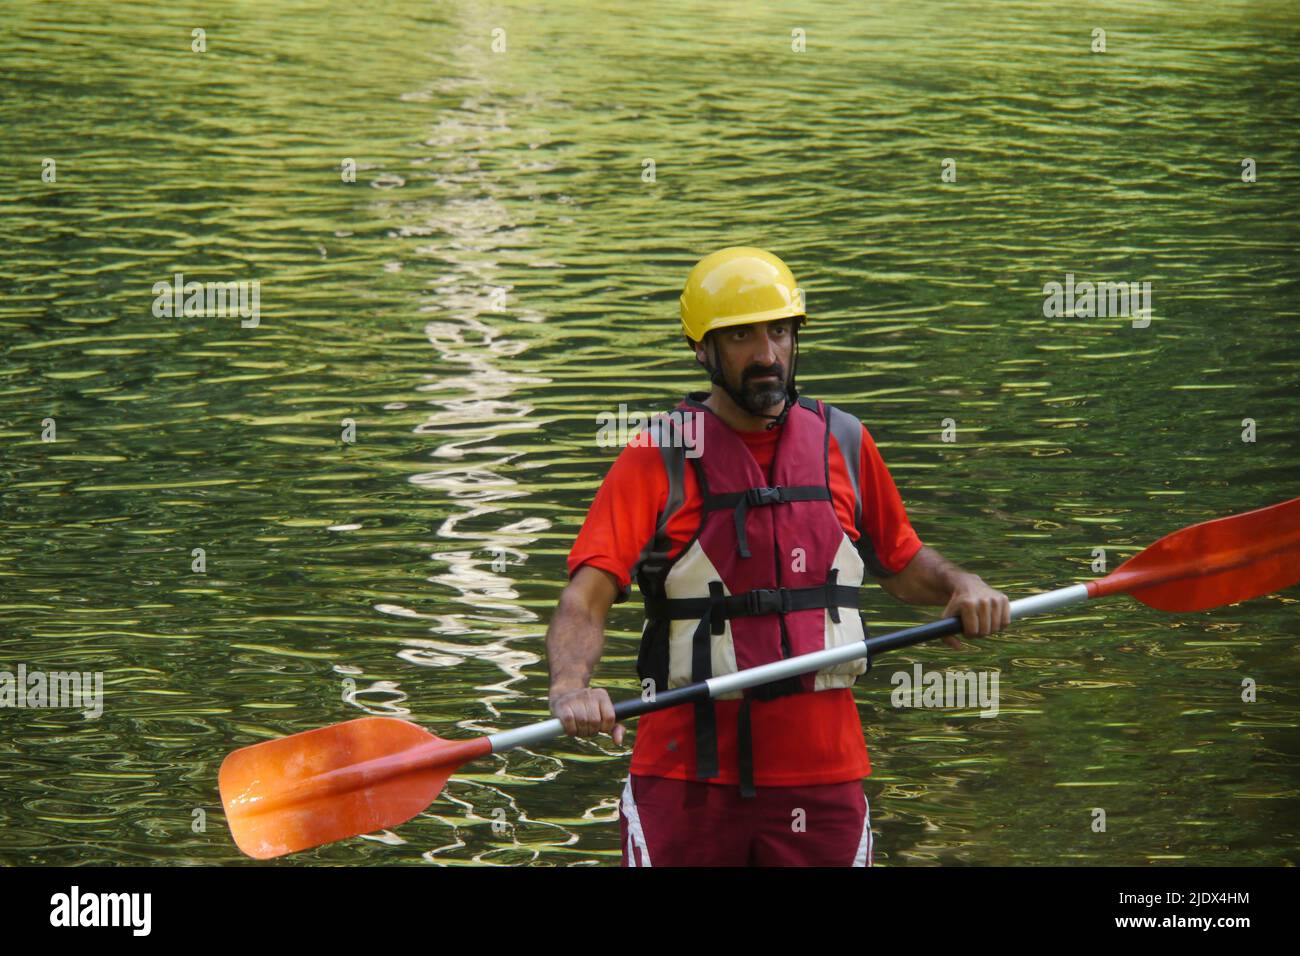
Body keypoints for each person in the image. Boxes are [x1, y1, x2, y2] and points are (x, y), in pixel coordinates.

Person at [546, 247, 1011, 866]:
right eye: (741, 336)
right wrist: (571, 687)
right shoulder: (656, 453)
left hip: (823, 778)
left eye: (780, 332)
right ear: (702, 349)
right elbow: (585, 597)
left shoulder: (843, 440)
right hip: (686, 783)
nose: (767, 355)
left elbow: (902, 563)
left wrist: (961, 584)